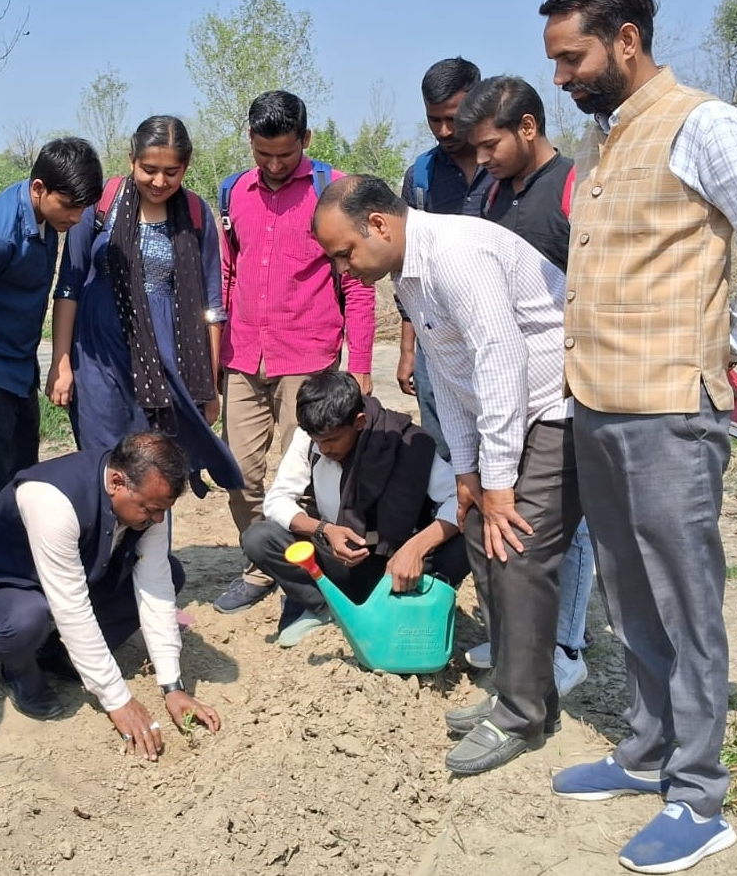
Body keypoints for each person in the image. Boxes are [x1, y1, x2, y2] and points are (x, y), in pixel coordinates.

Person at [539, 0, 737, 873]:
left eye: (571, 57)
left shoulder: (704, 124)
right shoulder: (604, 138)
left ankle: (698, 795)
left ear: (625, 40)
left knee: (682, 596)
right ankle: (648, 748)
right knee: (625, 588)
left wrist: (729, 348)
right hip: (600, 402)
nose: (560, 77)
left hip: (669, 409)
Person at [311, 175, 582, 777]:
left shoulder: (457, 254)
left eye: (345, 253)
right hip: (506, 418)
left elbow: (501, 359)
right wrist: (466, 470)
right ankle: (524, 691)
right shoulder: (410, 273)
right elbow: (452, 375)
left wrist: (500, 478)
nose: (342, 269)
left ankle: (521, 714)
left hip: (551, 409)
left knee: (514, 551)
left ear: (378, 224)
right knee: (486, 553)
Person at [0, 432, 222, 758]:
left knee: (172, 573)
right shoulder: (51, 499)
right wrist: (118, 701)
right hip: (0, 582)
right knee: (27, 618)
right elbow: (71, 607)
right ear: (117, 482)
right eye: (150, 509)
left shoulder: (149, 496)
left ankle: (53, 652)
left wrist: (173, 687)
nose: (158, 519)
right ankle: (18, 671)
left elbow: (155, 585)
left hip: (69, 577)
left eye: (164, 510)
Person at [453, 74, 594, 697]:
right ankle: (518, 643)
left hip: (566, 389)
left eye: (490, 146)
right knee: (511, 532)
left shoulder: (572, 189)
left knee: (567, 532)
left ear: (528, 128)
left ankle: (564, 646)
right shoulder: (493, 196)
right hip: (509, 388)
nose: (480, 161)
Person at [210, 90, 376, 614]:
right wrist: (215, 354)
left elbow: (359, 284)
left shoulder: (336, 189)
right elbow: (226, 273)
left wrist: (364, 365)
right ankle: (263, 565)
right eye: (264, 154)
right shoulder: (233, 190)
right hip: (242, 354)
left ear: (305, 139)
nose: (275, 165)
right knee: (239, 469)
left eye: (285, 153)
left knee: (300, 471)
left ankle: (306, 577)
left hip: (307, 354)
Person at [48, 115, 241, 495]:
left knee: (155, 470)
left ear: (186, 167)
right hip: (97, 361)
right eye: (149, 169)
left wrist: (209, 388)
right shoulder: (101, 204)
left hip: (165, 367)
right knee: (104, 467)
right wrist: (62, 361)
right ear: (130, 158)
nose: (160, 181)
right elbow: (68, 287)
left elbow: (212, 307)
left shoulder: (196, 215)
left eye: (172, 171)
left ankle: (151, 556)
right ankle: (105, 551)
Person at [241, 371, 470, 647]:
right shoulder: (311, 440)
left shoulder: (406, 442)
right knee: (259, 537)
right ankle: (329, 611)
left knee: (471, 536)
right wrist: (324, 530)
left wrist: (416, 548)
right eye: (318, 440)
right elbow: (277, 501)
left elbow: (459, 499)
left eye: (333, 440)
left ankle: (412, 605)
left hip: (400, 568)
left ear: (359, 422)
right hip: (341, 561)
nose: (324, 449)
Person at [0, 137, 104, 519]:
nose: (76, 218)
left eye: (83, 209)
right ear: (39, 188)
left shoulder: (49, 221)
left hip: (20, 372)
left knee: (25, 484)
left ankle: (18, 571)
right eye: (70, 207)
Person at [395, 58, 492, 459]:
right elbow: (407, 268)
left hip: (497, 336)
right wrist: (407, 351)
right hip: (438, 343)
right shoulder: (421, 177)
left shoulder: (508, 165)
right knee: (449, 456)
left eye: (453, 118)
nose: (445, 131)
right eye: (434, 120)